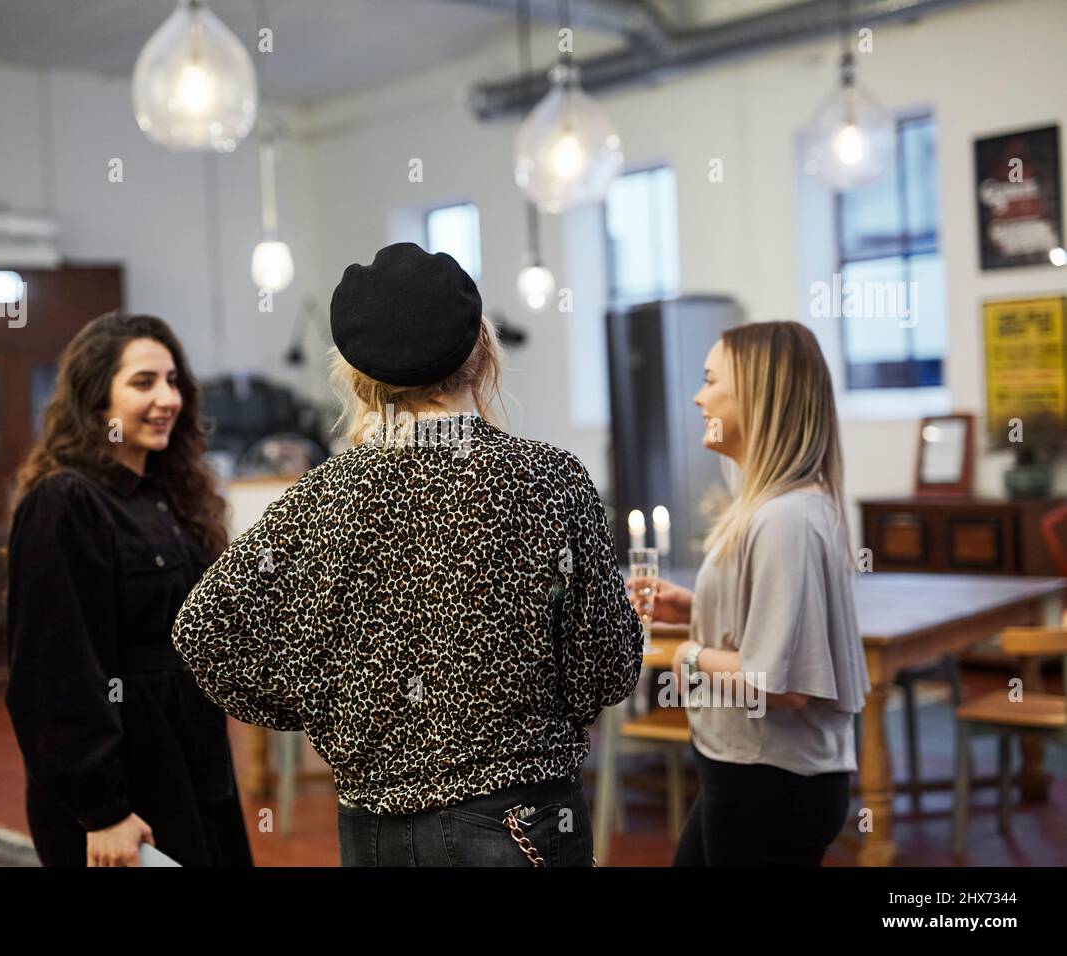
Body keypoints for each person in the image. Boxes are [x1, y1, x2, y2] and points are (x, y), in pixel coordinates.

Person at [173, 242, 642, 867]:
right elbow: (607, 670)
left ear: (361, 375)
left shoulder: (321, 498)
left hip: (374, 828)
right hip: (520, 816)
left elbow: (205, 629)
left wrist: (326, 708)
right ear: (482, 349)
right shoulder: (548, 481)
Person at [4, 312, 252, 868]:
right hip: (124, 779)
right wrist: (102, 809)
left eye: (172, 382)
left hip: (193, 759)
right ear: (96, 398)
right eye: (143, 382)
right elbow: (53, 674)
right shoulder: (63, 502)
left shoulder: (172, 497)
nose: (166, 398)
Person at [645, 320, 869, 866]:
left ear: (757, 395)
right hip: (749, 772)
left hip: (770, 781)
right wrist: (698, 607)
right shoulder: (784, 507)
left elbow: (778, 682)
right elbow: (787, 629)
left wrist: (689, 656)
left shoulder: (783, 518)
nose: (699, 397)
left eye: (710, 380)